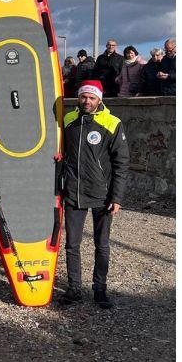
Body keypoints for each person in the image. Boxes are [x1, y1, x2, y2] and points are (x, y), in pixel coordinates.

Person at [57, 80, 128, 308]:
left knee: (102, 245)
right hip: (74, 192)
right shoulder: (68, 120)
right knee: (72, 244)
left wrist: (116, 197)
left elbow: (121, 163)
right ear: (79, 98)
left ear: (99, 99)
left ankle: (100, 289)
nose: (87, 101)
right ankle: (75, 288)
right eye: (84, 97)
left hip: (102, 195)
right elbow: (61, 154)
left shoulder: (112, 123)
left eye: (92, 97)